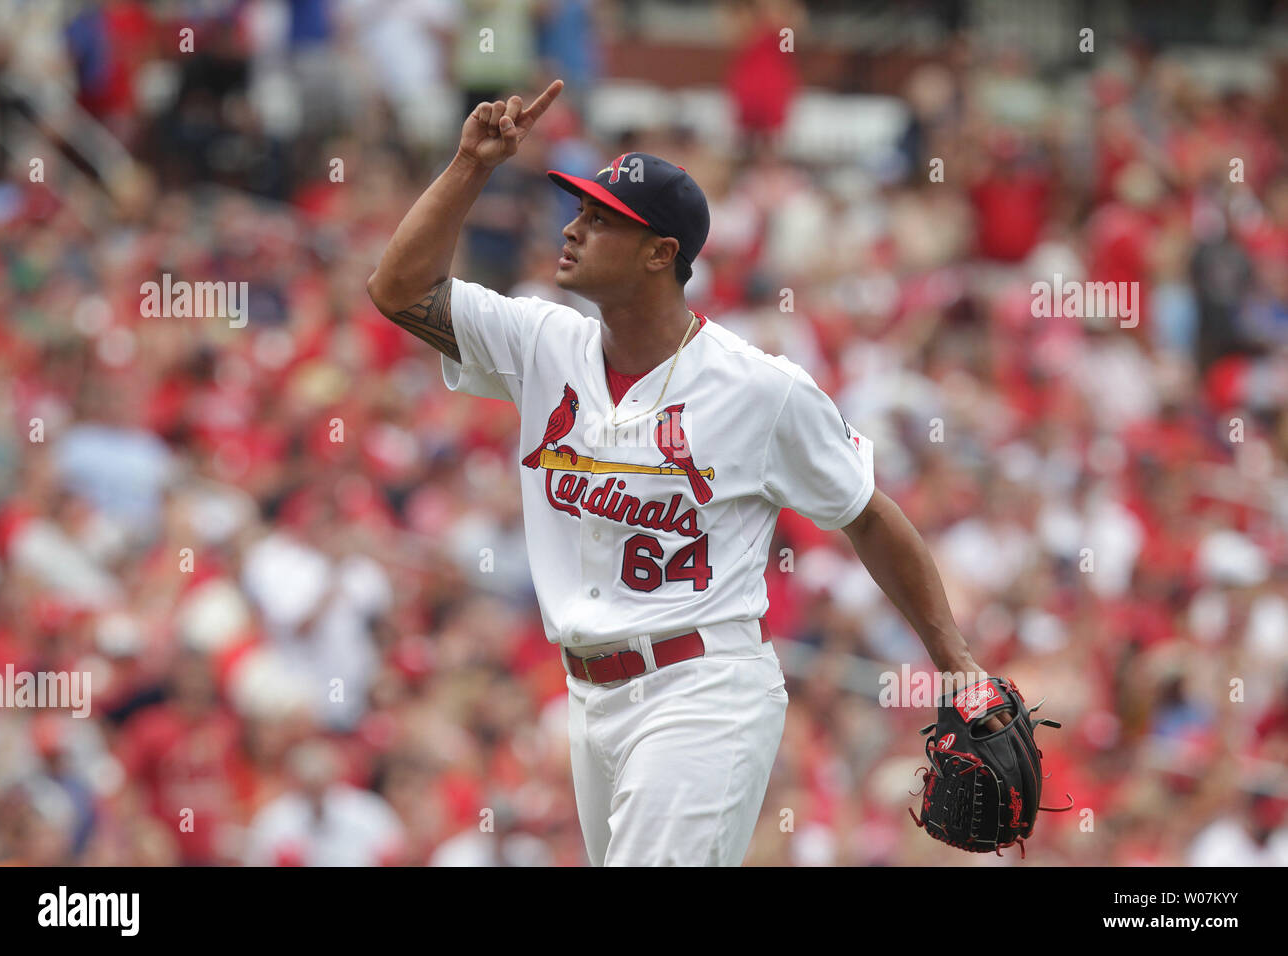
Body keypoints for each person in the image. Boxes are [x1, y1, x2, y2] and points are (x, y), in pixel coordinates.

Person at [367, 79, 1008, 866]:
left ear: (659, 253)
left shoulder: (758, 387)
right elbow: (397, 290)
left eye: (600, 220)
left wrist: (955, 660)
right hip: (590, 698)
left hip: (703, 690)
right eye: (579, 211)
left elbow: (866, 513)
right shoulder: (543, 343)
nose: (571, 229)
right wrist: (470, 164)